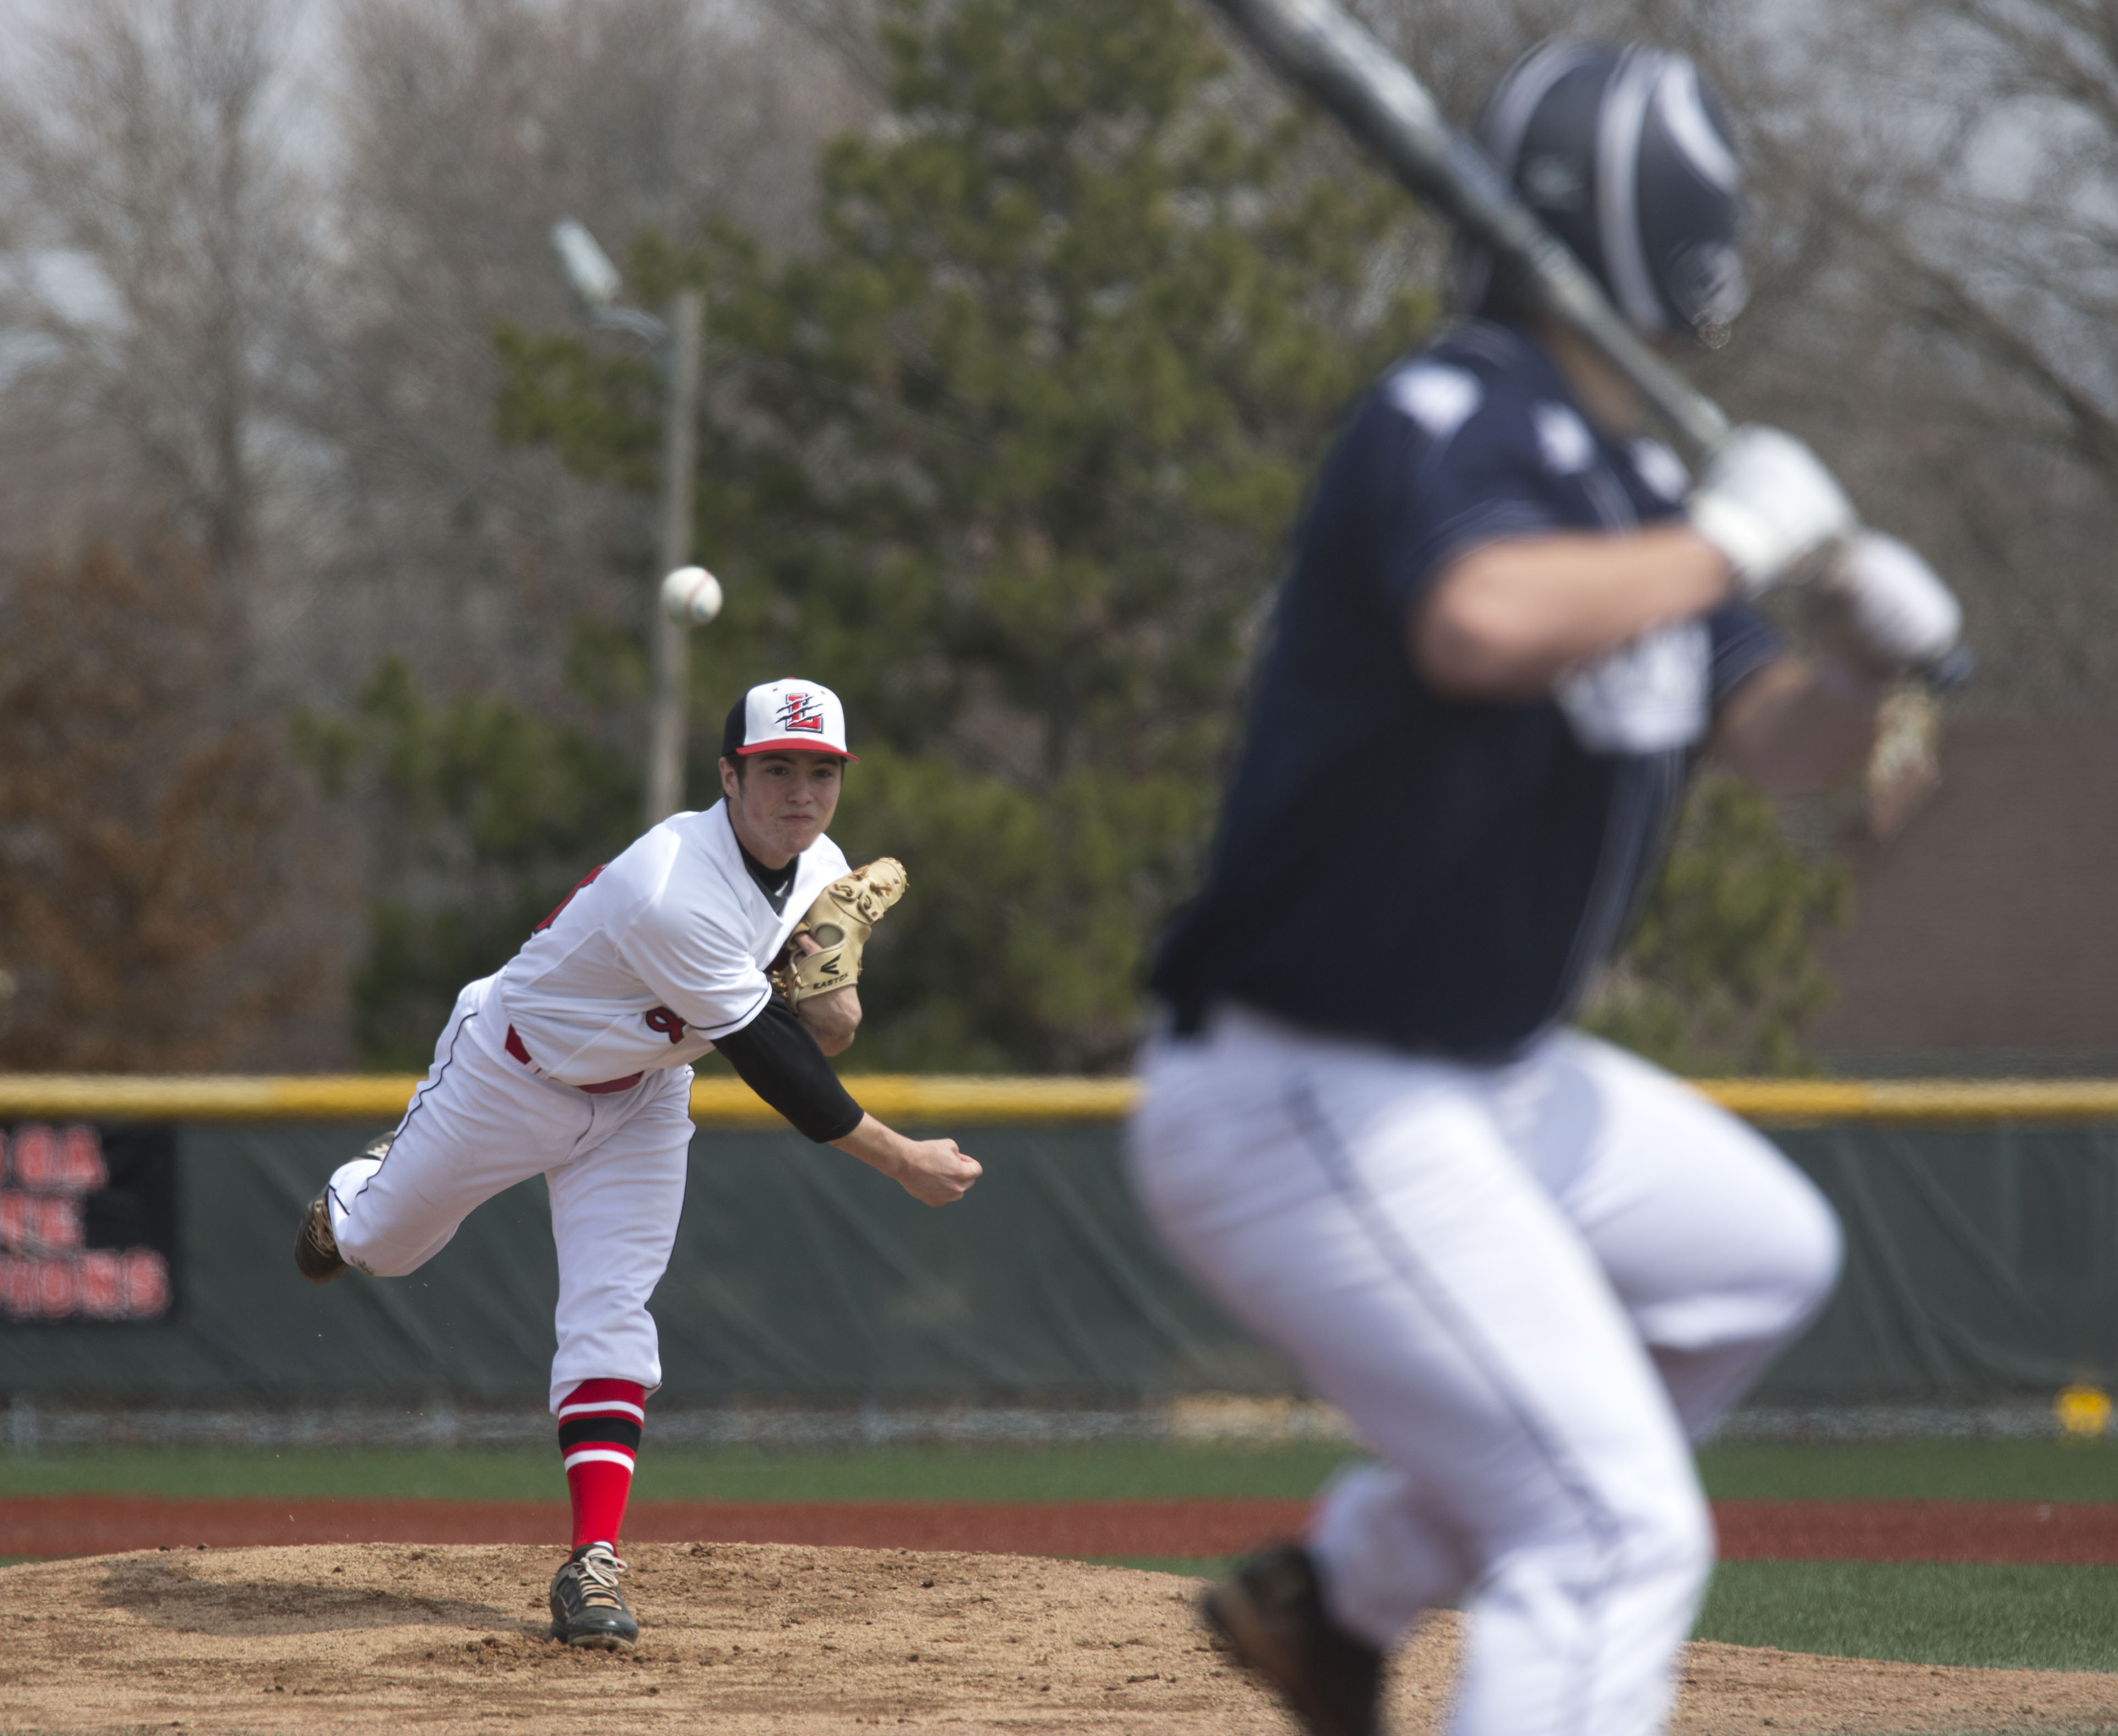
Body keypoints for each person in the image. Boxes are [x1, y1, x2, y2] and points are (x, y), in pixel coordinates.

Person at [1128, 42, 1962, 1736]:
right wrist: (1733, 542)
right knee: (1608, 1530)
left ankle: (1345, 1594)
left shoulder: (1634, 488)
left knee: (1759, 1257)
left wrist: (1862, 665)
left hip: (1484, 1078)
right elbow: (1481, 621)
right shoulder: (1451, 416)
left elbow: (1772, 736)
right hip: (1310, 1083)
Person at [293, 678, 981, 1650]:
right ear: (729, 776)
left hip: (643, 1096)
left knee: (613, 1311)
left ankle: (593, 1559)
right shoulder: (672, 886)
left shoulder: (821, 867)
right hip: (509, 1074)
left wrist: (834, 989)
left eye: (822, 772)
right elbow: (781, 1071)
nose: (801, 792)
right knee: (383, 1245)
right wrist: (902, 1158)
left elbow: (821, 1031)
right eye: (776, 769)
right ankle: (355, 1191)